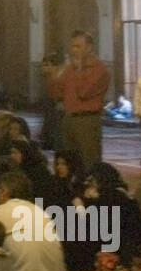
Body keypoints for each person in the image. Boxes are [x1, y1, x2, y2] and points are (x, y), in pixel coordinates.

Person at [47, 31, 110, 171]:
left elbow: (84, 92)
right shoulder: (71, 69)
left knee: (89, 164)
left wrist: (79, 69)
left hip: (87, 121)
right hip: (69, 119)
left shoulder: (99, 70)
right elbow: (56, 93)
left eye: (78, 46)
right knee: (68, 164)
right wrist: (54, 75)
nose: (74, 51)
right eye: (72, 47)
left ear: (89, 48)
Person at [67, 162, 141, 271]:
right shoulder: (127, 199)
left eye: (92, 182)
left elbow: (91, 228)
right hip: (124, 256)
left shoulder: (106, 199)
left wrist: (80, 207)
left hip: (105, 257)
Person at [39, 51, 65, 151]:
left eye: (47, 65)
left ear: (55, 66)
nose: (44, 68)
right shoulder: (50, 79)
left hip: (58, 106)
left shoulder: (59, 79)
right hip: (52, 105)